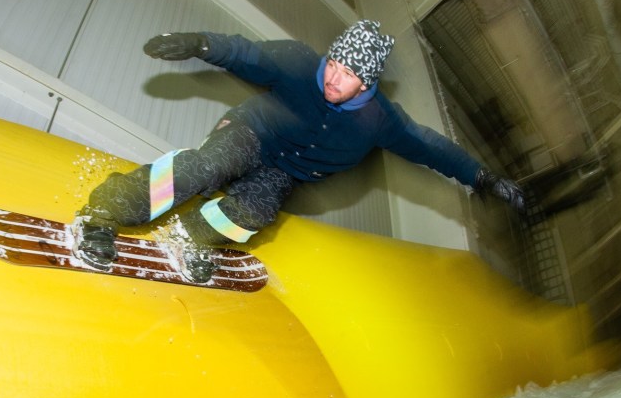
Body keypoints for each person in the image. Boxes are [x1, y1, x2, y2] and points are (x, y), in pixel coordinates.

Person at [74, 19, 525, 282]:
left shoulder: (381, 122)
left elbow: (433, 148)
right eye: (334, 63)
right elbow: (246, 53)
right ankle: (102, 215)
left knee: (253, 212)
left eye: (347, 74)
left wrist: (482, 178)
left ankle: (192, 237)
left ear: (366, 84)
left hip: (286, 171)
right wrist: (200, 44)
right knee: (203, 170)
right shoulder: (299, 62)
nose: (332, 78)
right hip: (252, 132)